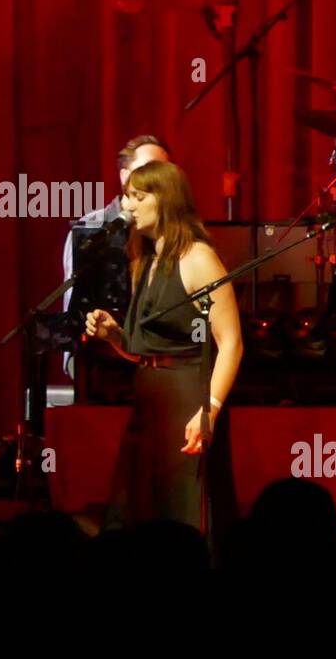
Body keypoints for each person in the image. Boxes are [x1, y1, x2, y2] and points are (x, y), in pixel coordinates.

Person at [85, 161, 241, 555]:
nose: (129, 206)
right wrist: (114, 334)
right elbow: (140, 351)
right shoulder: (147, 261)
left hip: (186, 397)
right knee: (136, 508)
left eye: (140, 197)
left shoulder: (197, 258)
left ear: (166, 200)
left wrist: (211, 407)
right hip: (149, 401)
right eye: (127, 196)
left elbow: (231, 342)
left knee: (182, 510)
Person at [61, 135, 170, 386]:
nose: (156, 181)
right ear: (124, 177)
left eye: (163, 172)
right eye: (146, 170)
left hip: (163, 365)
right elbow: (75, 314)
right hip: (103, 367)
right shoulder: (92, 229)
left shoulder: (176, 233)